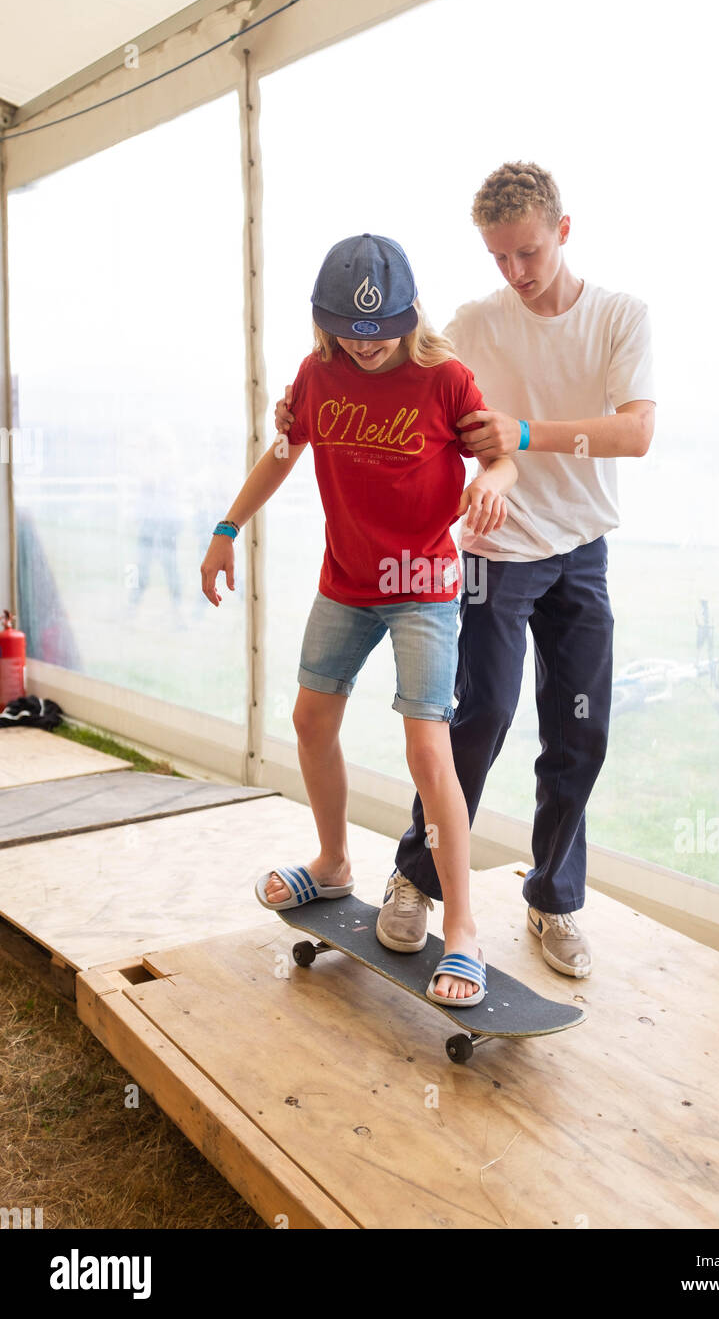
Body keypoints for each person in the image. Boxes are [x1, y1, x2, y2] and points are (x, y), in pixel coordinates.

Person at [276, 164, 655, 989]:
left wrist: (517, 438)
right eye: (498, 257)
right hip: (492, 555)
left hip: (580, 548)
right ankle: (414, 881)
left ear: (564, 229)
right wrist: (304, 405)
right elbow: (403, 372)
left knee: (578, 732)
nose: (515, 272)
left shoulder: (620, 317)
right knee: (470, 724)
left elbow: (635, 436)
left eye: (527, 252)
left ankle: (553, 898)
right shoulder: (475, 323)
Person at [201, 232, 517, 1004]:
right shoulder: (317, 374)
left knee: (426, 749)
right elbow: (283, 450)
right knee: (311, 720)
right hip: (346, 579)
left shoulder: (445, 378)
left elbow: (498, 456)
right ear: (325, 321)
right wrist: (226, 528)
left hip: (422, 582)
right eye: (350, 331)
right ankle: (333, 863)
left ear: (409, 317)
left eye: (379, 334)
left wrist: (498, 481)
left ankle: (466, 928)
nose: (365, 347)